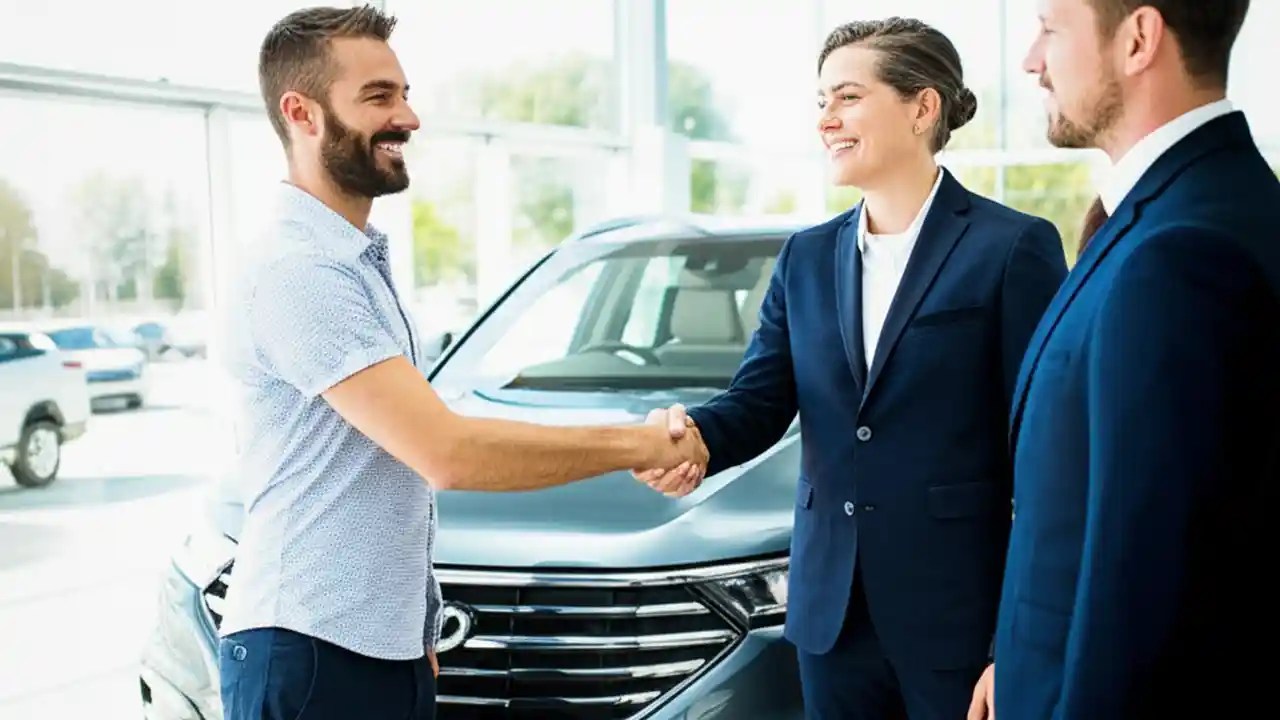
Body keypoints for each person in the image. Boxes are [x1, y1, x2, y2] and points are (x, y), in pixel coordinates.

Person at [214, 6, 706, 720]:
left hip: (376, 650)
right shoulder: (300, 273)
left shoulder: (352, 262)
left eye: (405, 94)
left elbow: (378, 474)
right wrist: (641, 442)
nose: (408, 118)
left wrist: (416, 624)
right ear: (303, 113)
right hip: (312, 652)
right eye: (379, 97)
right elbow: (445, 452)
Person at [634, 17, 1068, 720]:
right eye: (820, 103)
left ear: (922, 107)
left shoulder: (1013, 248)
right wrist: (692, 440)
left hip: (958, 620)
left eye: (847, 98)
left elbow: (1047, 457)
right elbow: (758, 402)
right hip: (831, 617)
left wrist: (1014, 641)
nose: (826, 120)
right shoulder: (806, 257)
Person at [974, 1, 1280, 718]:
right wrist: (1015, 660)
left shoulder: (1181, 258)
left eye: (1050, 29)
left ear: (1138, 39)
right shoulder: (1189, 211)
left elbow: (1148, 600)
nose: (1029, 60)